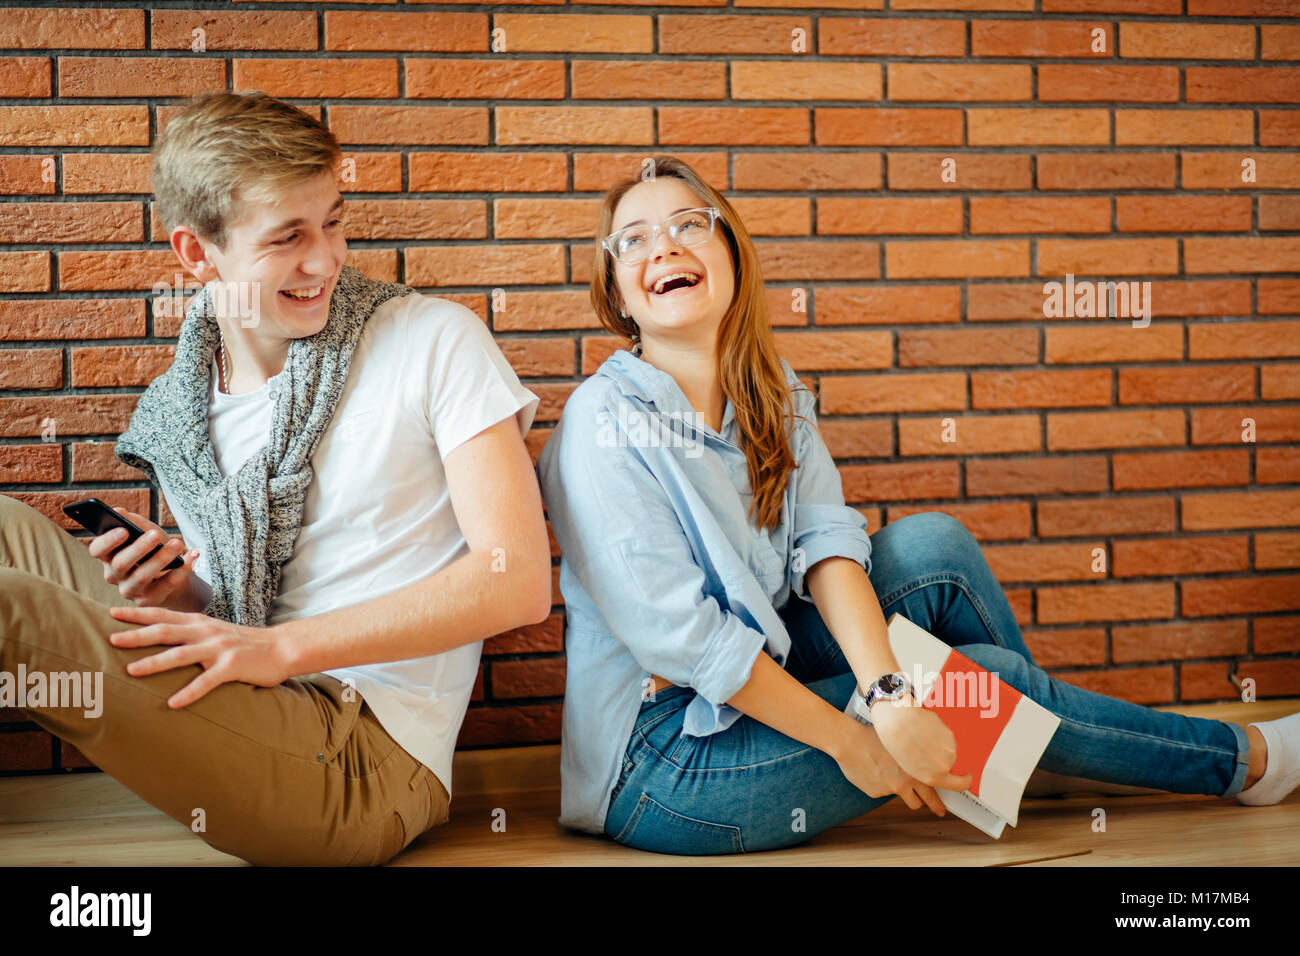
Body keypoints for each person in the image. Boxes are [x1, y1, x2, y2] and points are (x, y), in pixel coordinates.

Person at [536, 154, 1300, 855]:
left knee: (935, 551)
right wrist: (853, 741)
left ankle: (1018, 754)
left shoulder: (771, 389)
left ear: (732, 252)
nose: (662, 247)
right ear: (617, 294)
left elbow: (827, 548)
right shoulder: (602, 426)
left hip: (761, 665)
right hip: (668, 760)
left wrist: (889, 698)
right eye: (631, 241)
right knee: (982, 682)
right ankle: (1244, 762)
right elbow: (698, 647)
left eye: (687, 225)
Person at [0, 91, 552, 865]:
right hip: (254, 709)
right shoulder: (179, 412)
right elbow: (238, 611)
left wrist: (284, 651)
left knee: (8, 610)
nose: (323, 259)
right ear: (197, 254)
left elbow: (517, 583)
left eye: (332, 221)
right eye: (287, 236)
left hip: (363, 756)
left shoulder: (431, 339)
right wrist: (177, 595)